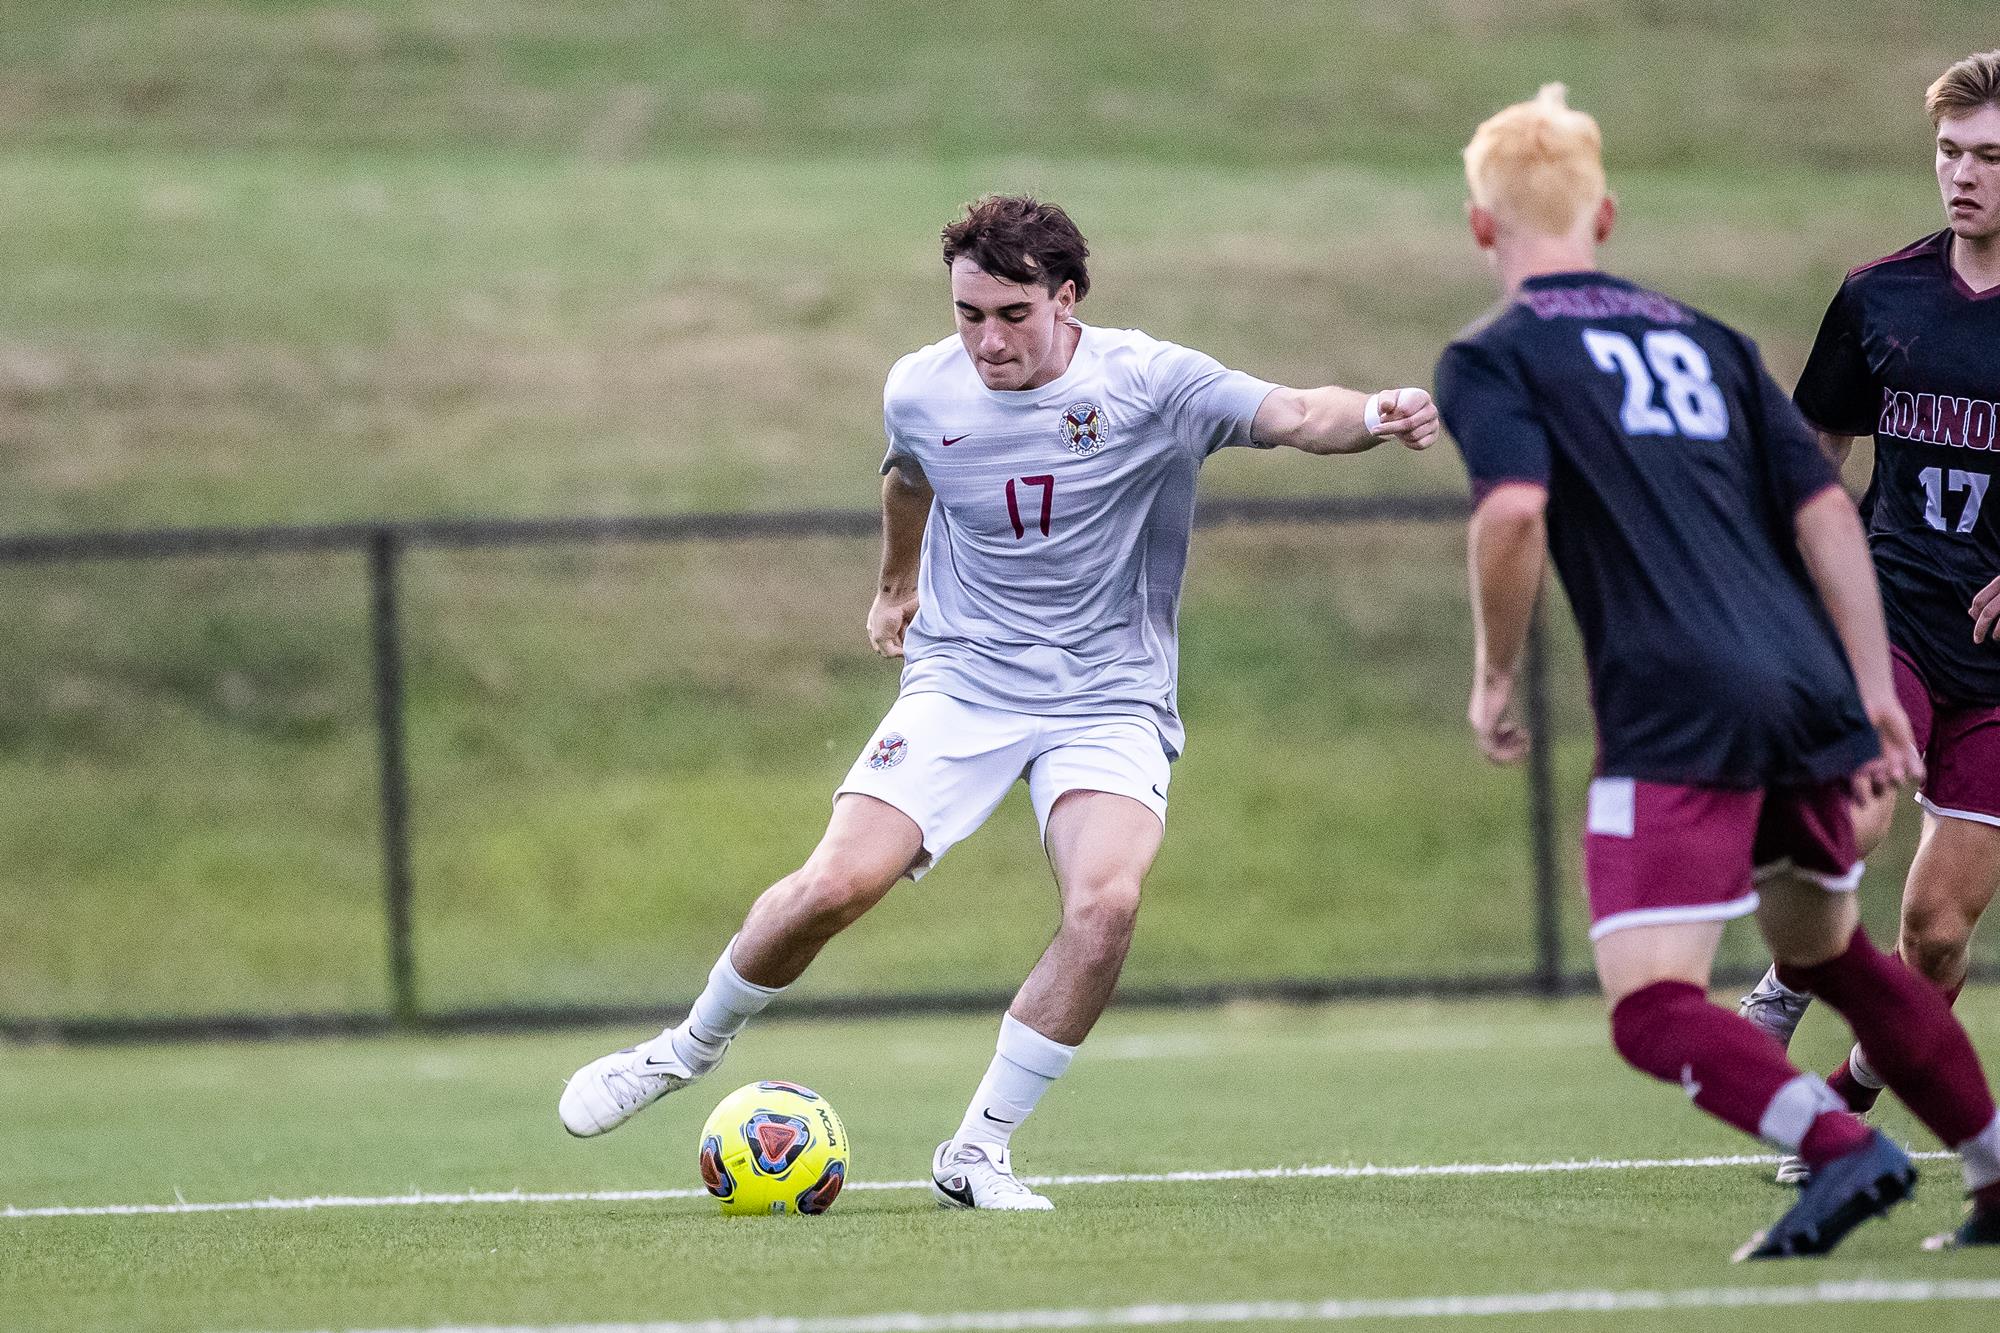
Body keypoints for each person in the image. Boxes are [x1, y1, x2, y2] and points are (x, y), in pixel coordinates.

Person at [558, 194, 1439, 1209]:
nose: (986, 338)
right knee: (835, 886)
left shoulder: (1148, 382)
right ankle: (680, 1051)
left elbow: (1290, 412)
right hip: (964, 677)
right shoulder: (919, 389)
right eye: (967, 313)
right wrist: (896, 585)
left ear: (1066, 299)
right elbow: (907, 482)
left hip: (1108, 694)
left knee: (1104, 906)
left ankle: (976, 1150)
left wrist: (1372, 413)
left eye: (1011, 314)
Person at [1434, 84, 2000, 1256]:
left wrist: (1492, 673)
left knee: (1649, 1007)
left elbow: (1510, 516)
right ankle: (1993, 1172)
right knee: (1830, 951)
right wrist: (1865, 683)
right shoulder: (1704, 338)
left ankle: (1840, 1148)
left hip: (1675, 702)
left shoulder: (1495, 355)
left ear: (1483, 229)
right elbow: (1830, 519)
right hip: (1805, 679)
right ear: (1605, 215)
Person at [1735, 49, 2000, 1185]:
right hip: (1888, 609)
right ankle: (1778, 991)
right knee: (1851, 812)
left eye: (1987, 157)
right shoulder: (1880, 294)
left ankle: (1846, 1103)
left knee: (1935, 935)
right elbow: (1815, 451)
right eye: (1947, 153)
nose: (1962, 176)